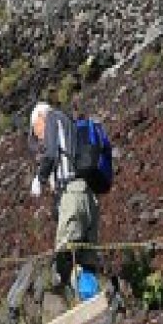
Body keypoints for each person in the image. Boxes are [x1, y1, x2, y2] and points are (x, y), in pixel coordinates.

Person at [29, 101, 100, 289]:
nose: (39, 138)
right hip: (88, 196)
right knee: (86, 259)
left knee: (65, 255)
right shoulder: (69, 124)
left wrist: (40, 178)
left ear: (41, 118)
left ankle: (83, 307)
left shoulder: (52, 117)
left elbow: (51, 154)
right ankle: (94, 301)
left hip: (72, 195)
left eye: (37, 130)